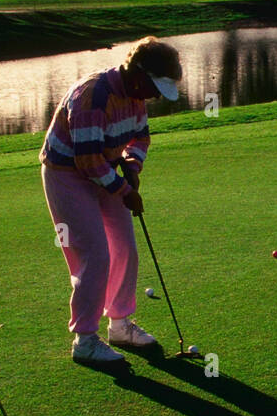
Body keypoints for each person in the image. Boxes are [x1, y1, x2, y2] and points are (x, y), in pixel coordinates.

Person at [40, 37, 183, 364]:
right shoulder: (93, 96)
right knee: (95, 254)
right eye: (155, 88)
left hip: (104, 170)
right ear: (138, 76)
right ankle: (85, 340)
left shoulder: (136, 95)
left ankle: (119, 324)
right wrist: (126, 191)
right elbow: (87, 161)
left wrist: (133, 164)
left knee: (125, 248)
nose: (156, 97)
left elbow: (141, 136)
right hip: (67, 174)